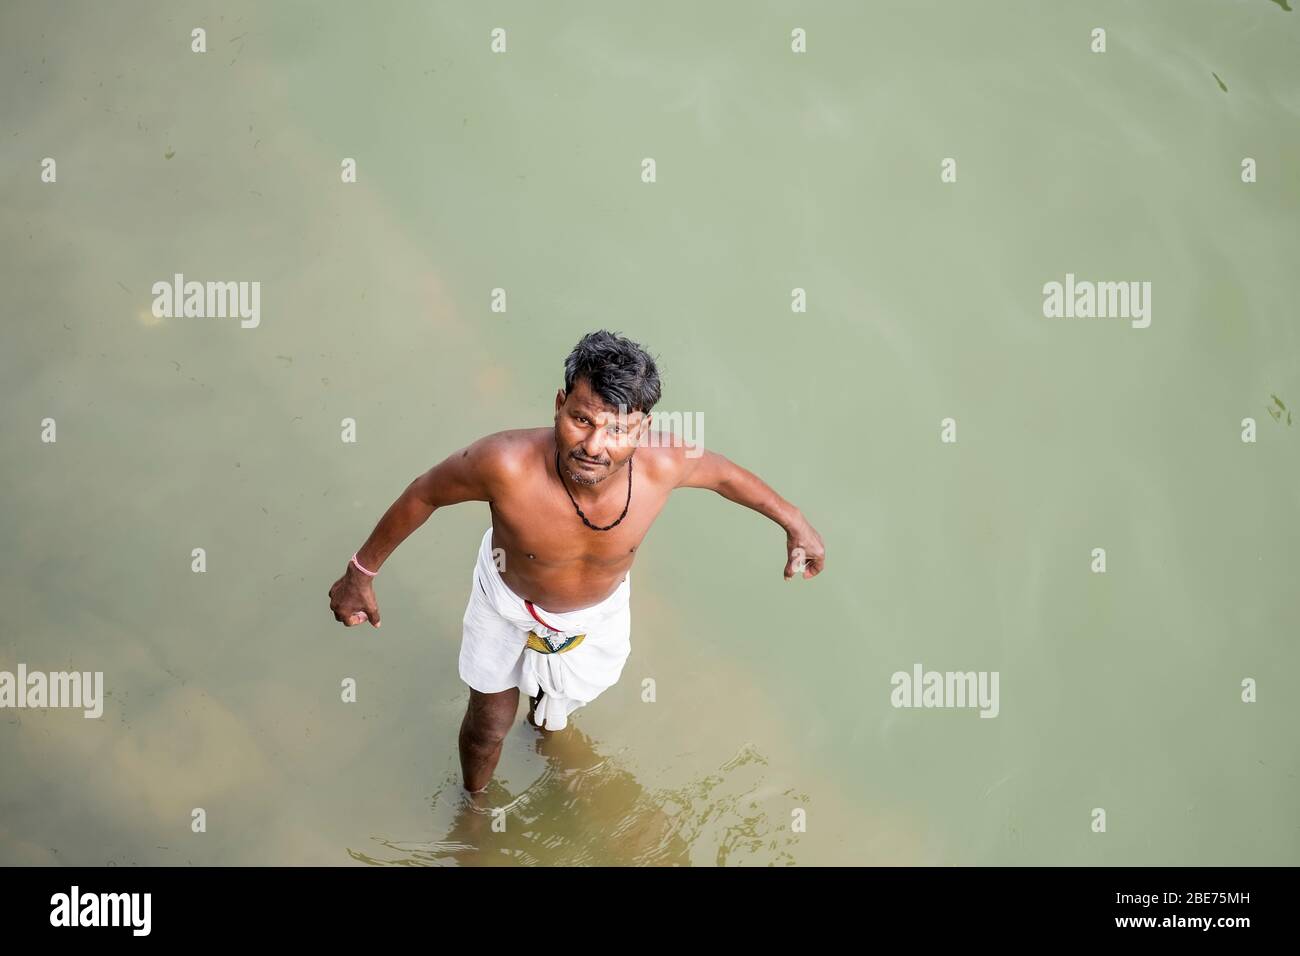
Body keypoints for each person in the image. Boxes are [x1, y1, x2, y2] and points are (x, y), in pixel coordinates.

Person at [327, 330, 825, 794]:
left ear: (643, 428)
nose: (594, 446)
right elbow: (425, 494)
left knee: (550, 714)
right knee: (487, 728)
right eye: (581, 420)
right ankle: (474, 813)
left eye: (618, 430)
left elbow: (725, 477)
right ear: (559, 404)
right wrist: (360, 574)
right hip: (507, 603)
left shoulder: (666, 462)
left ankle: (542, 728)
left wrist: (795, 522)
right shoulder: (503, 464)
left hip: (593, 615)